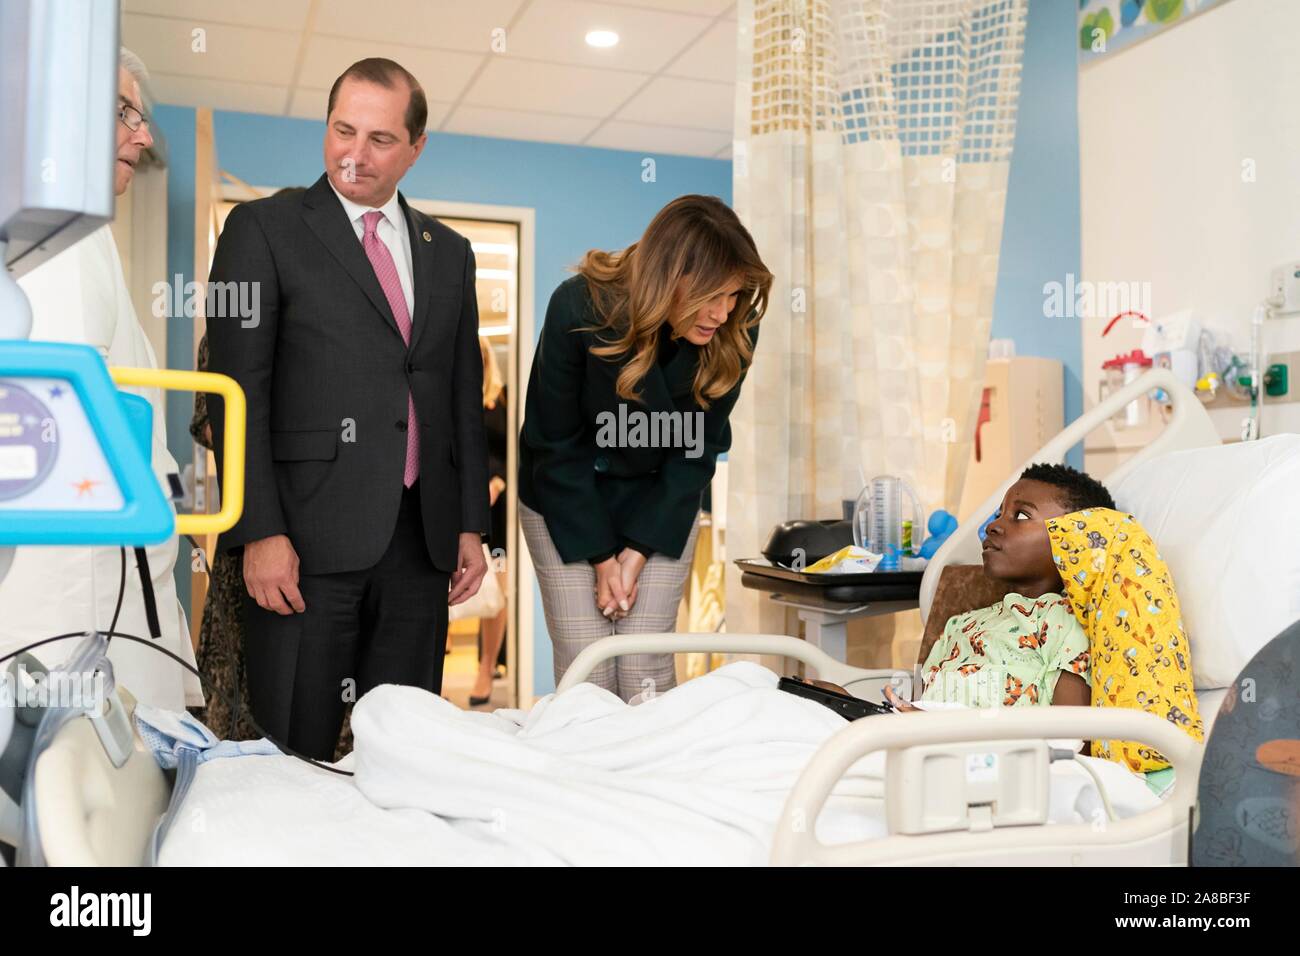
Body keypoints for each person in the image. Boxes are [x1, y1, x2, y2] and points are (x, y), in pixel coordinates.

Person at [205, 58, 489, 761]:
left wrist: (470, 526)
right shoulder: (262, 228)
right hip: (303, 541)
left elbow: (460, 390)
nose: (354, 154)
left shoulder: (449, 253)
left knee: (403, 750)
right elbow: (236, 393)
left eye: (380, 139)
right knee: (294, 748)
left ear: (416, 148)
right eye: (342, 130)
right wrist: (258, 531)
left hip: (419, 546)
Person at [0, 48, 201, 711]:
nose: (142, 136)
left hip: (107, 577)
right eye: (122, 113)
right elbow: (58, 417)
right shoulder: (55, 234)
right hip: (77, 597)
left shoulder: (77, 232)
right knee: (86, 781)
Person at [518, 195, 773, 702]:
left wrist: (634, 555)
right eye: (712, 296)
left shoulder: (735, 328)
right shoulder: (580, 306)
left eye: (734, 295)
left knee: (643, 666)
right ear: (671, 277)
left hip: (662, 497)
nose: (723, 313)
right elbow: (554, 446)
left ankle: (651, 780)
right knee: (587, 669)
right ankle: (585, 778)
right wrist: (601, 559)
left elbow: (695, 454)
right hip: (565, 495)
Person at [882, 463, 1100, 712]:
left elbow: (1070, 739)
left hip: (979, 750)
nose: (992, 526)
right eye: (998, 514)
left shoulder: (1067, 623)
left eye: (1021, 516)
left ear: (1073, 543)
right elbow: (915, 704)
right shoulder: (959, 624)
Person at [471, 338, 508, 707]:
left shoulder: (503, 399)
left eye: (480, 355)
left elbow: (512, 451)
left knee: (498, 590)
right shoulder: (454, 395)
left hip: (497, 512)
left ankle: (486, 667)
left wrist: (497, 481)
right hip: (460, 507)